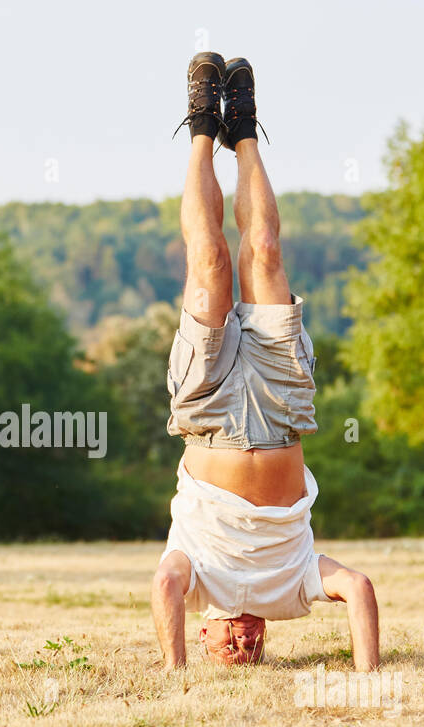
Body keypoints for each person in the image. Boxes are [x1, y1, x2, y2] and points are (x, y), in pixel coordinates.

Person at [152, 52, 380, 671]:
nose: (243, 642)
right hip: (282, 409)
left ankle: (202, 127)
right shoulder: (294, 594)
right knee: (266, 254)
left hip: (208, 410)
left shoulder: (196, 584)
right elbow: (358, 588)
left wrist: (174, 674)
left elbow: (164, 584)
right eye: (252, 649)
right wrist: (368, 676)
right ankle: (244, 129)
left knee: (211, 264)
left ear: (204, 635)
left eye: (230, 648)